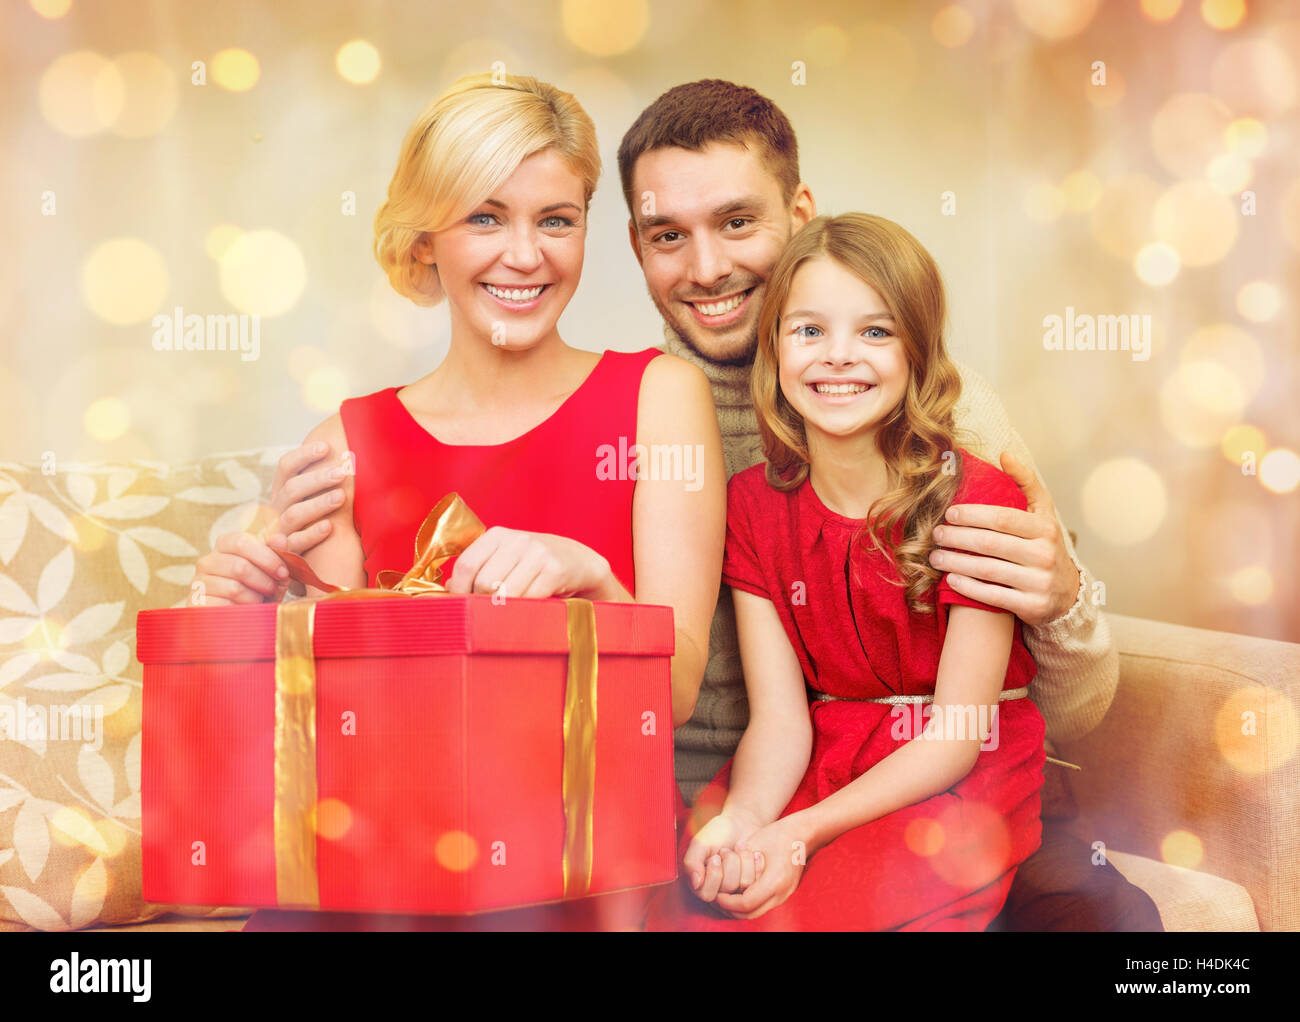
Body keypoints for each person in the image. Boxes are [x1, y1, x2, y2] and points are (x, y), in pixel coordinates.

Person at [262, 79, 1162, 932]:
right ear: (635, 246)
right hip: (755, 799)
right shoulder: (686, 430)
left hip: (966, 792)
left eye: (738, 223)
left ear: (801, 218)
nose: (709, 267)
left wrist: (1066, 601)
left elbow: (1070, 710)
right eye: (668, 236)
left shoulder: (939, 420)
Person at [192, 72, 726, 930]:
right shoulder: (347, 441)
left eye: (556, 220)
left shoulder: (658, 398)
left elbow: (678, 692)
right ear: (424, 241)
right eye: (485, 217)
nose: (525, 255)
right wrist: (226, 613)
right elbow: (290, 733)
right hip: (389, 864)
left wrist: (590, 576)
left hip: (582, 862)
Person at [644, 212, 1044, 929]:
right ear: (773, 350)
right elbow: (780, 719)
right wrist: (745, 820)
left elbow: (956, 737)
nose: (837, 357)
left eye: (875, 331)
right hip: (822, 760)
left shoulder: (975, 497)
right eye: (808, 331)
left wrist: (798, 835)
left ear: (918, 352)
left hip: (952, 775)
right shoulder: (754, 506)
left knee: (822, 912)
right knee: (701, 896)